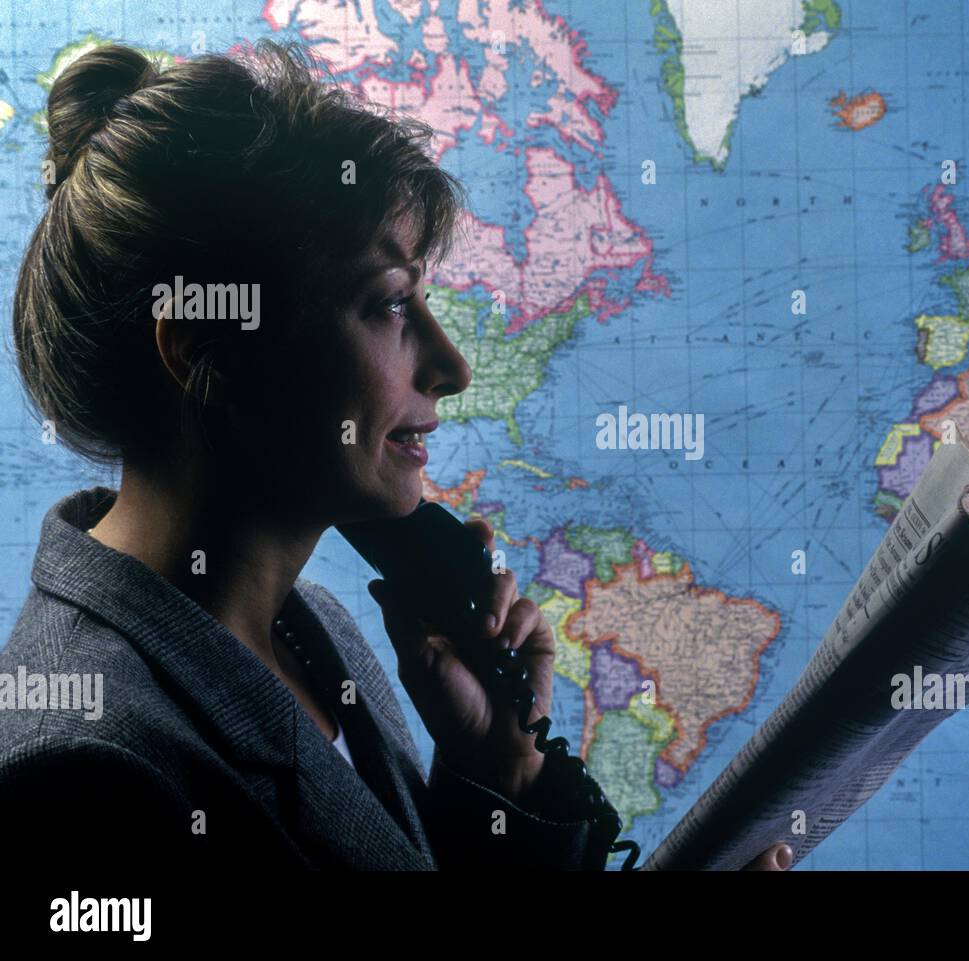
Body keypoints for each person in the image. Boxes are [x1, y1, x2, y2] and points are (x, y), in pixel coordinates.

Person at [0, 39, 793, 872]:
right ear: (209, 352)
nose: (452, 367)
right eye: (388, 304)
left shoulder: (314, 633)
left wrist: (496, 770)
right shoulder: (81, 775)